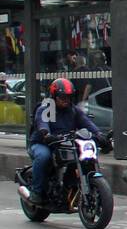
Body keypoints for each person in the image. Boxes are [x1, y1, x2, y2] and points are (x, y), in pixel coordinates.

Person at [28, 78, 101, 207]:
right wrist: (46, 134)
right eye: (62, 97)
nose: (66, 100)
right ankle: (36, 191)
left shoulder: (73, 110)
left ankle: (68, 188)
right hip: (43, 143)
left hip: (64, 143)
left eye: (68, 97)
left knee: (82, 155)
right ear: (54, 95)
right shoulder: (46, 107)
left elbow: (86, 122)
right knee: (44, 156)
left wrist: (99, 134)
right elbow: (42, 122)